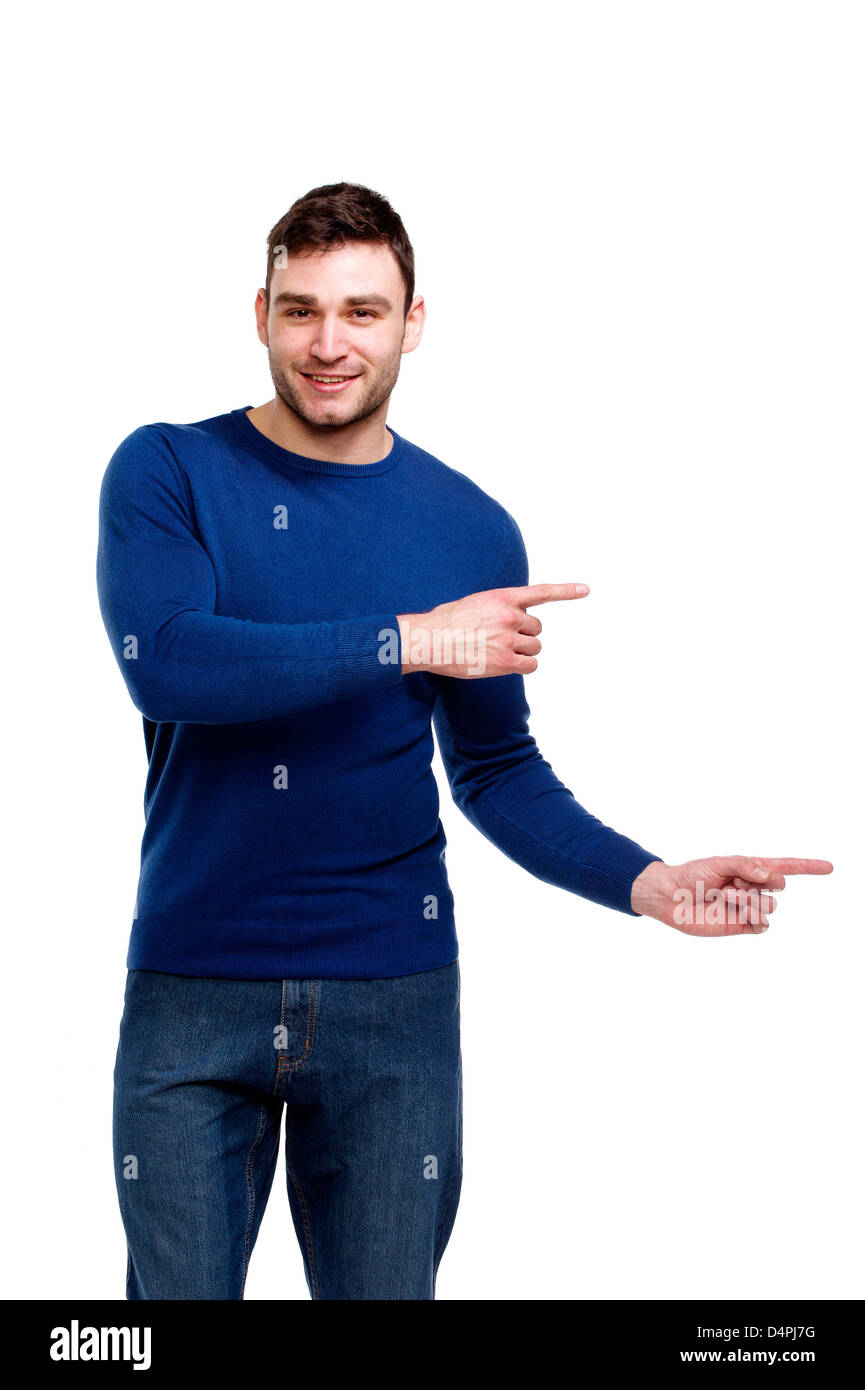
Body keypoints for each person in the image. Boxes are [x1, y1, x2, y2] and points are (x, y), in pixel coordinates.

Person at [97, 181, 833, 1301]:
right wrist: (410, 639)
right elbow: (175, 665)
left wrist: (644, 881)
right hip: (194, 985)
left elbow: (495, 771)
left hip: (391, 995)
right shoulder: (168, 471)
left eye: (362, 311)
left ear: (413, 321)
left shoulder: (466, 526)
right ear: (259, 315)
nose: (329, 344)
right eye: (301, 311)